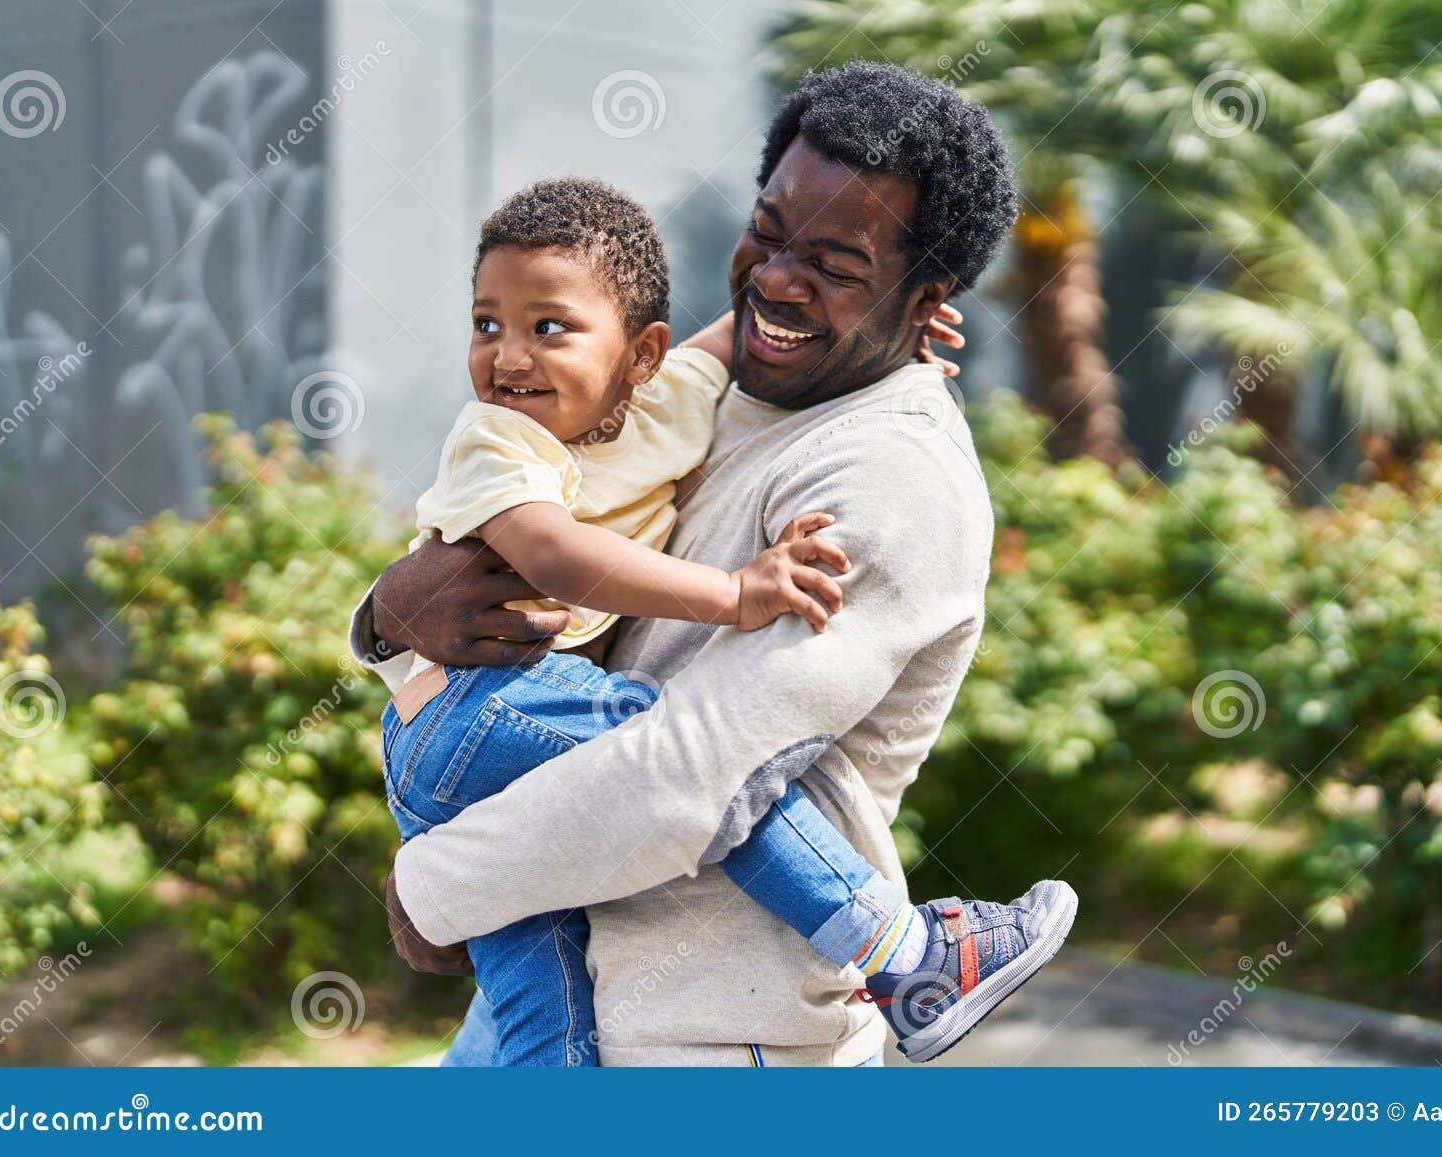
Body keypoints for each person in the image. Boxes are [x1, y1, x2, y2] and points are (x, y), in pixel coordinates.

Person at [357, 62, 1067, 1067]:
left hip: (716, 1043)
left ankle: (906, 957)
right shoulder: (738, 382)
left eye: (835, 263)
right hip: (570, 993)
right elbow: (552, 520)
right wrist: (388, 612)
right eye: (768, 233)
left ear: (925, 297)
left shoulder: (890, 472)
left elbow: (689, 777)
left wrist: (430, 888)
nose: (777, 279)